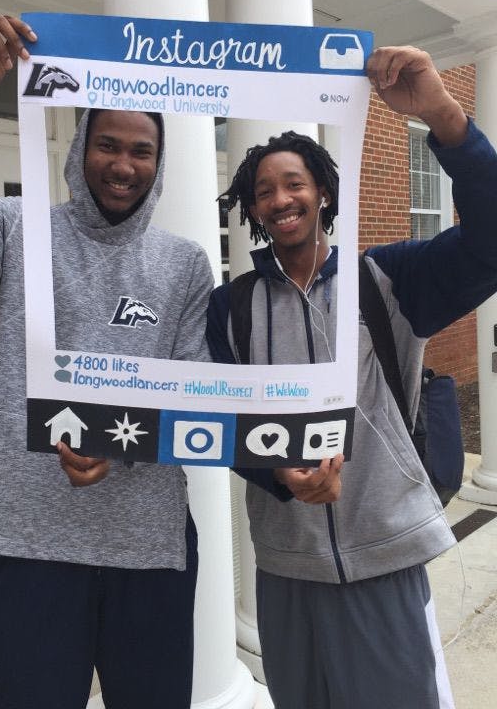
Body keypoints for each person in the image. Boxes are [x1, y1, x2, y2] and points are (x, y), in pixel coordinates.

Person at [0, 16, 214, 709]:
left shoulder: (185, 264)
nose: (123, 165)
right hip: (28, 543)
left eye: (141, 151)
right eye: (107, 144)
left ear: (159, 163)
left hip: (145, 546)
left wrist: (119, 444)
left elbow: (194, 395)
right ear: (80, 147)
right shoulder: (18, 229)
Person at [206, 45, 497, 709]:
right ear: (253, 209)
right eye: (264, 191)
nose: (280, 199)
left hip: (384, 557)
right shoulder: (232, 308)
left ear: (324, 193)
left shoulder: (388, 280)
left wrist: (442, 114)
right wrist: (277, 470)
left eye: (294, 183)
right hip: (286, 569)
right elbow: (221, 421)